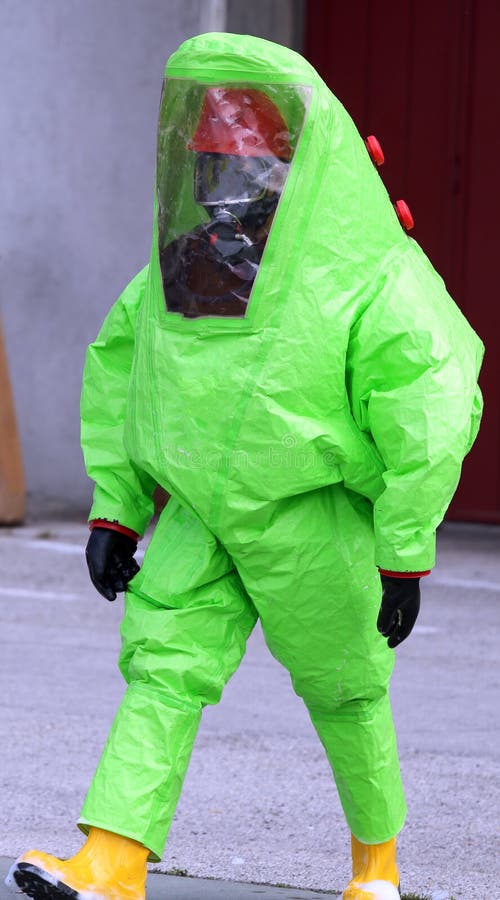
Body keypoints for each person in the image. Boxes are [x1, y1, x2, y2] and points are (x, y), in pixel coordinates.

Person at [7, 32, 484, 900]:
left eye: (245, 175)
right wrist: (117, 507)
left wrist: (403, 549)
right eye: (208, 173)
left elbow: (432, 403)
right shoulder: (182, 272)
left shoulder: (370, 279)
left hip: (312, 517)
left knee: (345, 692)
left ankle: (376, 868)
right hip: (196, 511)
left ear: (292, 177)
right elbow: (122, 366)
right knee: (161, 669)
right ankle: (112, 861)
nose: (223, 195)